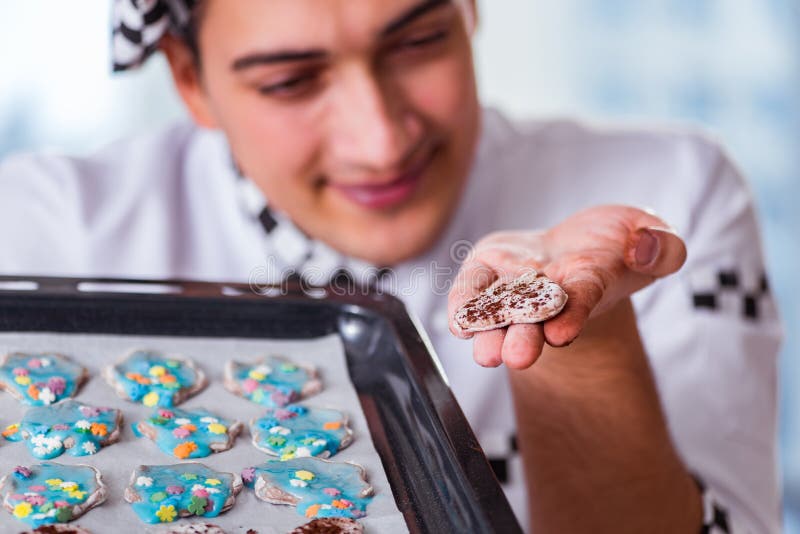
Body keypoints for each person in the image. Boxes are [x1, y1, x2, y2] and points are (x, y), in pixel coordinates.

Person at [0, 1, 782, 531]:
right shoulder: (47, 228)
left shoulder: (667, 193)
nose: (380, 139)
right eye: (290, 80)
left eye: (418, 42)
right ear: (189, 79)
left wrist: (581, 330)